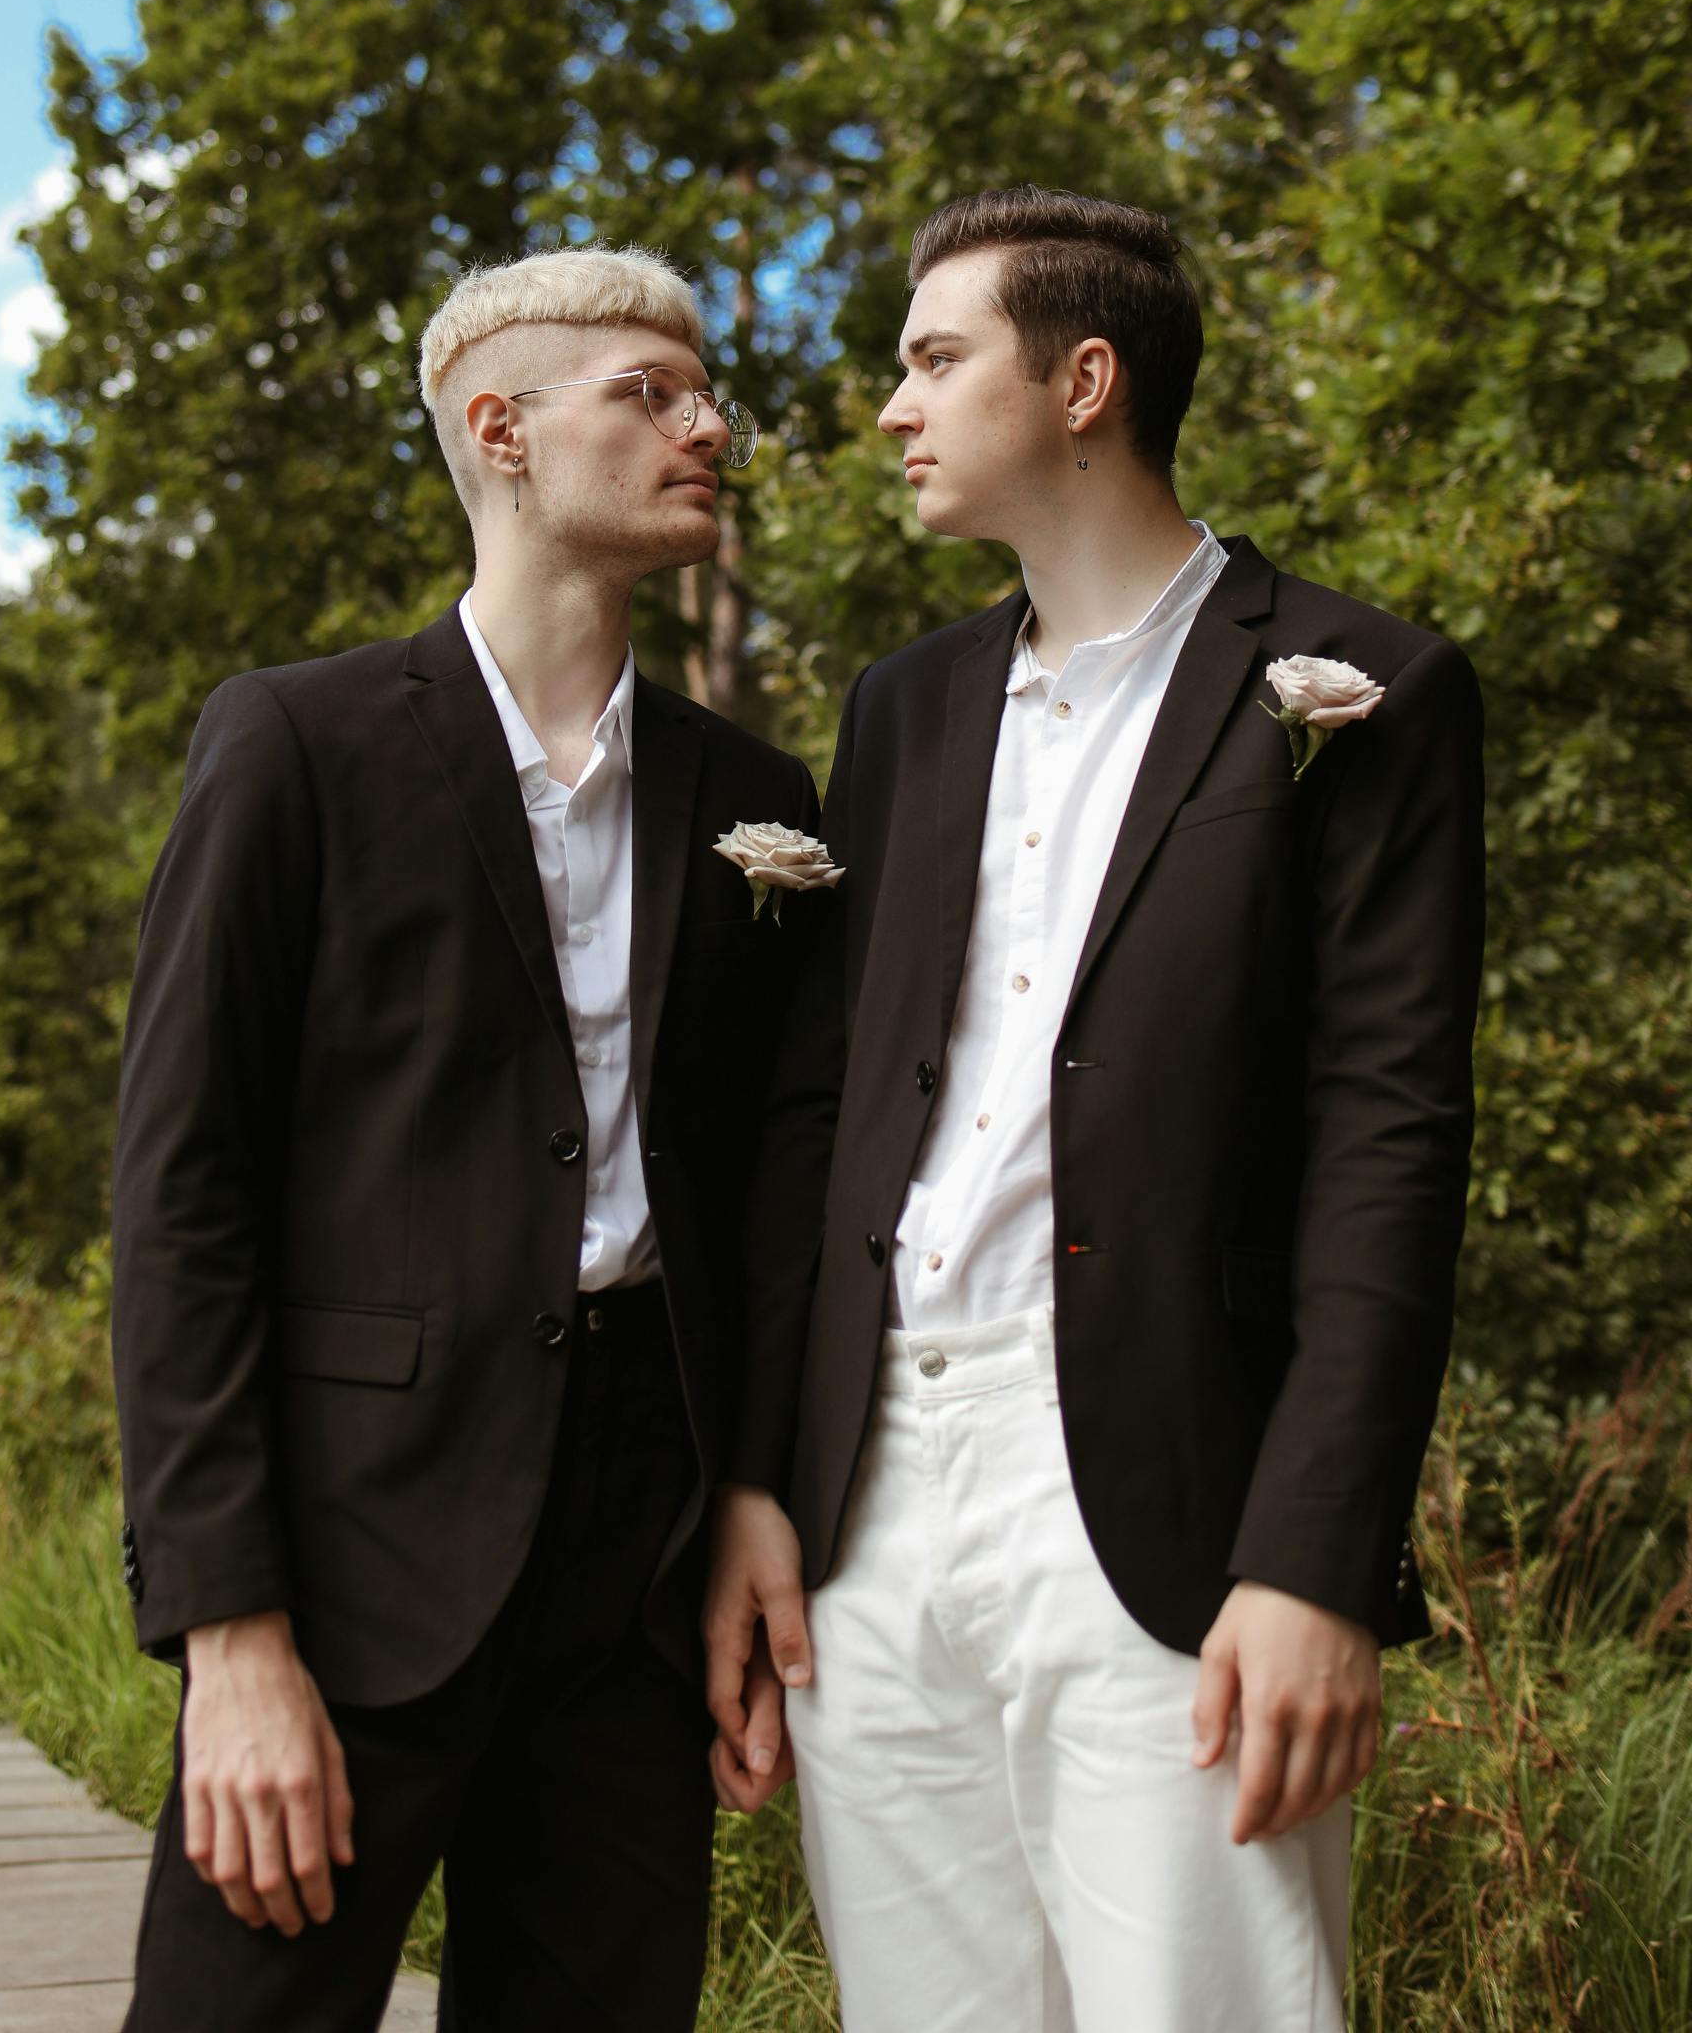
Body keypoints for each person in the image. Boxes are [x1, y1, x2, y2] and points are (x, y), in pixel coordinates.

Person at [706, 185, 1485, 2033]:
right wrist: (757, 1475)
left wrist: (1315, 1559)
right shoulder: (899, 712)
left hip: (1169, 1510)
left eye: (931, 359)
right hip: (872, 1505)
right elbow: (820, 1115)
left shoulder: (1369, 690)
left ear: (1084, 380)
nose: (891, 407)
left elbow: (1391, 1143)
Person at [113, 244, 822, 2033]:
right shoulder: (297, 743)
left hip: (642, 1565)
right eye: (646, 395)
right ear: (501, 432)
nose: (708, 426)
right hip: (353, 1564)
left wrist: (751, 1498)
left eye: (707, 390)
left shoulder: (757, 801)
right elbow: (183, 1202)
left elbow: (768, 1198)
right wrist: (233, 1640)